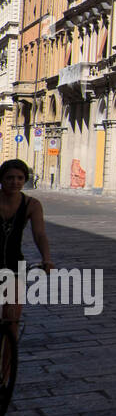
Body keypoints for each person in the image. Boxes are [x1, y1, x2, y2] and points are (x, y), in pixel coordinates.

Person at [1, 159, 52, 374]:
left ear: (25, 180)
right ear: (1, 180)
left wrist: (47, 258)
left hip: (15, 266)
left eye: (20, 178)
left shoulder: (32, 205)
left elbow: (39, 234)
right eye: (10, 178)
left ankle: (4, 373)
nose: (15, 182)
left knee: (12, 321)